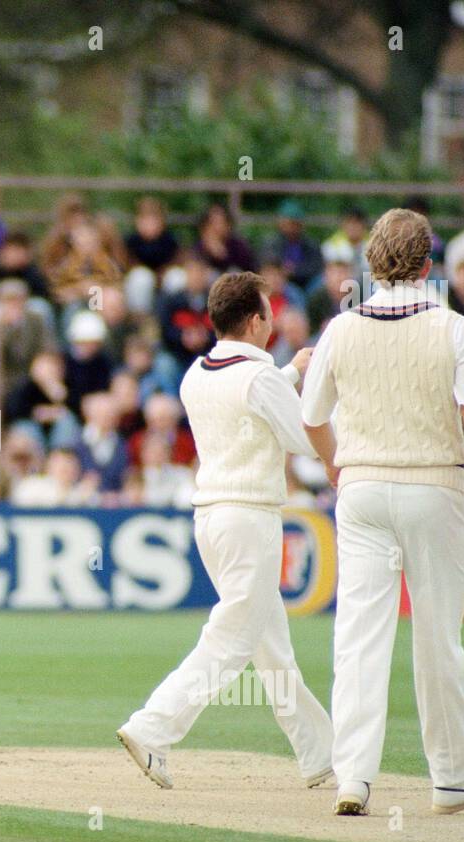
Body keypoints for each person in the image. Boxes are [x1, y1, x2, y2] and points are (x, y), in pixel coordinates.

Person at [301, 208, 464, 817]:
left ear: (370, 262)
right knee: (437, 636)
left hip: (362, 490)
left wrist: (340, 468)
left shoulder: (342, 328)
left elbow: (312, 418)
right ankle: (451, 777)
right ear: (427, 264)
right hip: (431, 487)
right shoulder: (453, 327)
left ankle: (353, 776)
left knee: (358, 638)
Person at [117, 271, 333, 790]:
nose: (274, 320)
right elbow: (302, 435)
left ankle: (321, 754)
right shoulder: (258, 378)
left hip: (212, 516)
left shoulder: (196, 372)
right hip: (249, 517)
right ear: (256, 320)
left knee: (270, 645)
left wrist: (289, 373)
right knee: (233, 638)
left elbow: (248, 401)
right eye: (269, 313)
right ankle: (153, 727)